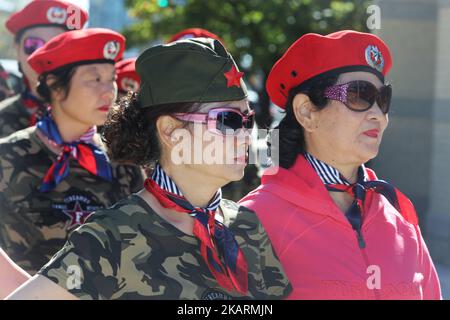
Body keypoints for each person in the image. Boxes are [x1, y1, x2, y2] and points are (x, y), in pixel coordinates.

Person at [6, 38, 291, 300]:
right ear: (169, 130)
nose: (245, 135)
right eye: (228, 120)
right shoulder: (111, 236)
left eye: (247, 120)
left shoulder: (249, 225)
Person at [239, 30, 442, 300]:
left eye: (383, 100)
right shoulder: (252, 223)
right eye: (359, 95)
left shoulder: (401, 217)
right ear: (306, 112)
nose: (378, 116)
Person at [0, 28, 143, 275]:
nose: (109, 91)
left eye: (111, 79)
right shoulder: (7, 157)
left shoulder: (125, 165)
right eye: (95, 79)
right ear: (55, 86)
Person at [0, 0, 88, 138]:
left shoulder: (95, 118)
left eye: (57, 46)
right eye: (33, 45)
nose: (43, 56)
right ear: (16, 48)